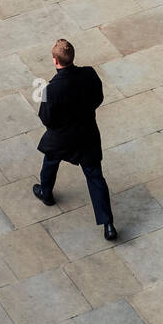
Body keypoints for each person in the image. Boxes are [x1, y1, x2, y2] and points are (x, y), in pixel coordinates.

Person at [33, 39, 117, 240]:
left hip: (62, 137)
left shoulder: (50, 90)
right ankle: (108, 224)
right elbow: (98, 98)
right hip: (87, 134)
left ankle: (46, 192)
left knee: (50, 159)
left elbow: (46, 118)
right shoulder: (89, 74)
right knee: (95, 178)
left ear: (55, 61)